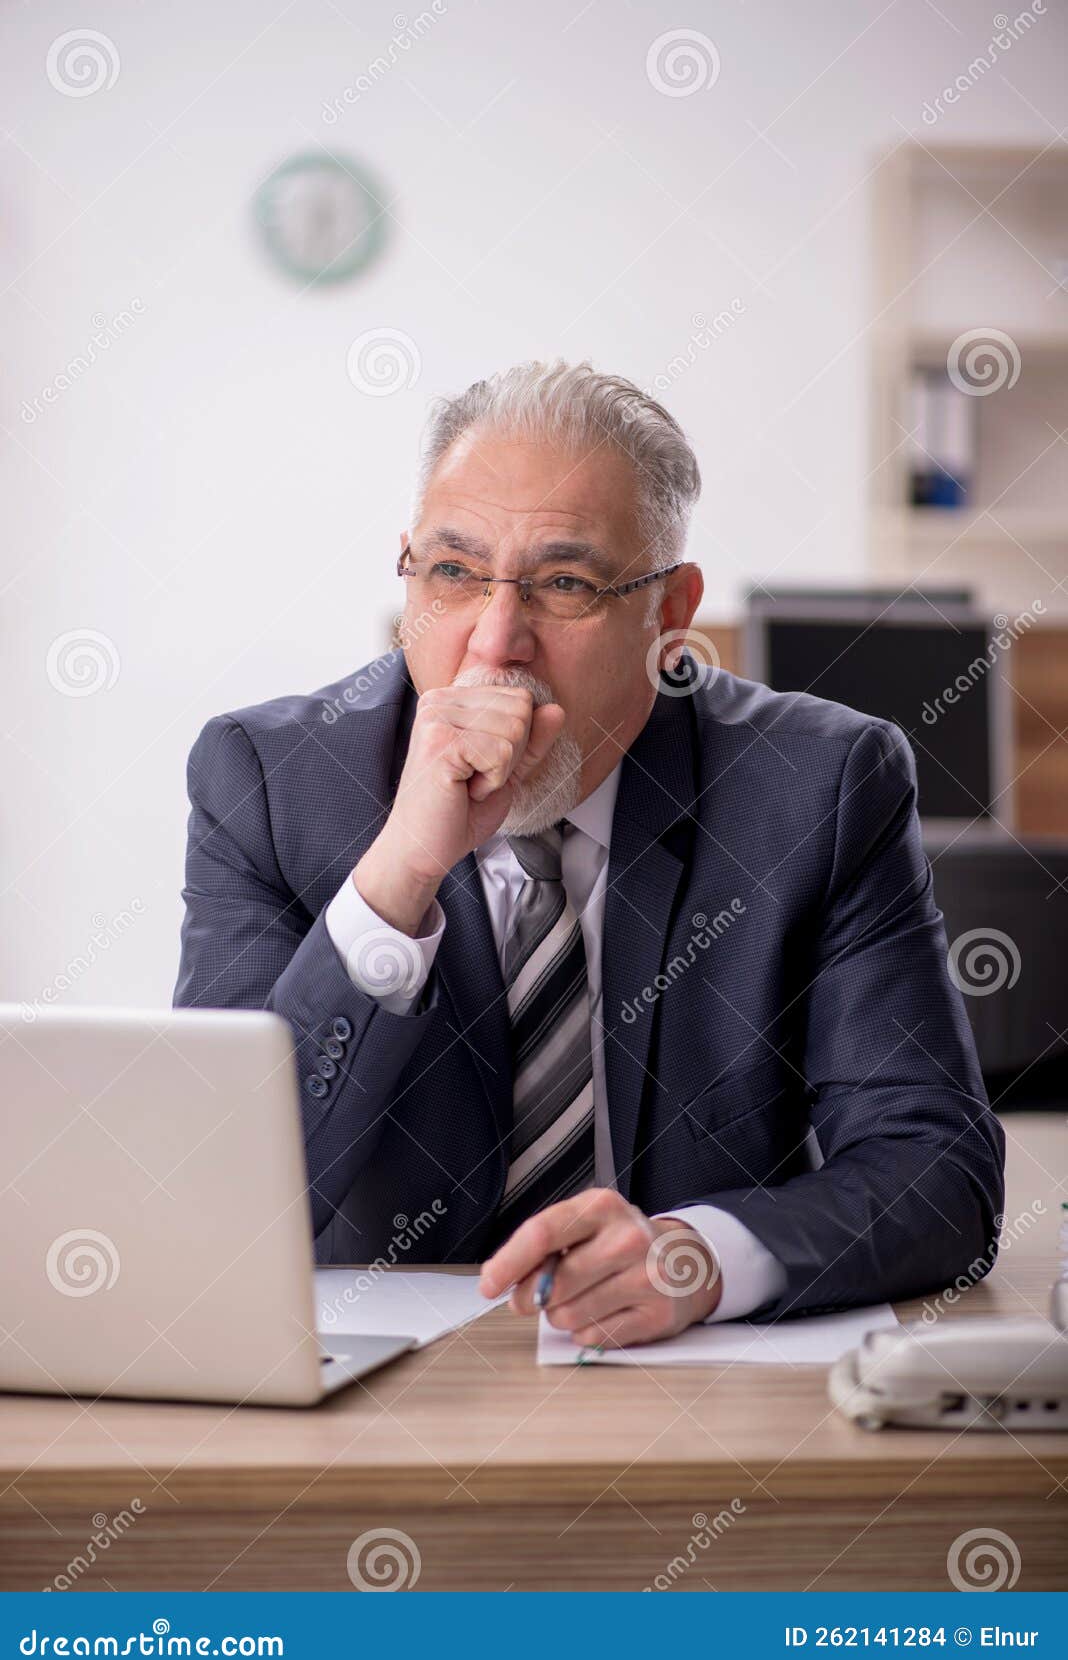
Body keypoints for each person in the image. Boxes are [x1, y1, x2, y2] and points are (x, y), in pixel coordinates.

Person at [174, 359, 1004, 1349]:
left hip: (685, 1385)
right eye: (453, 572)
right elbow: (216, 1213)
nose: (495, 643)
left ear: (670, 612)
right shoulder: (269, 781)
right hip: (364, 1381)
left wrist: (697, 1256)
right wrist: (397, 876)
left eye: (563, 582)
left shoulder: (821, 785)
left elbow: (938, 1169)